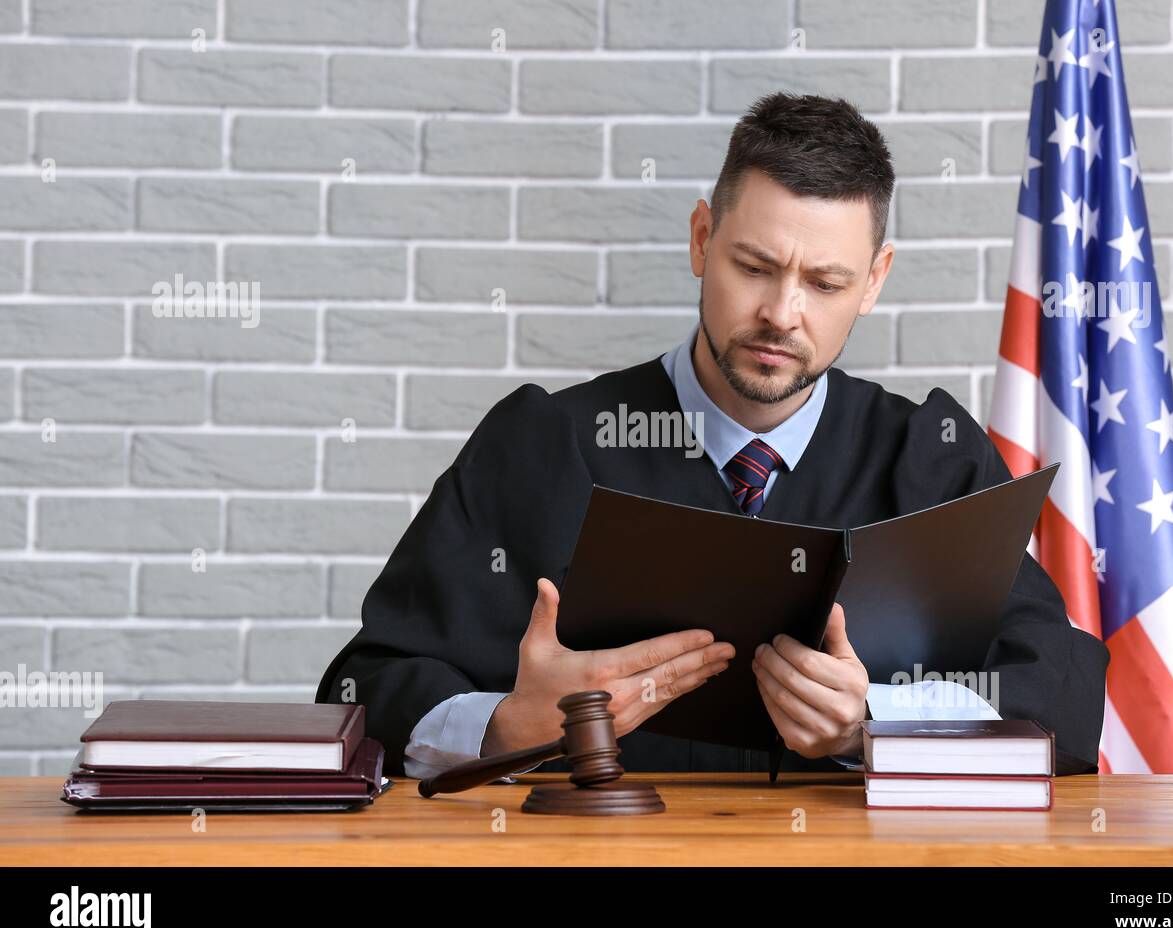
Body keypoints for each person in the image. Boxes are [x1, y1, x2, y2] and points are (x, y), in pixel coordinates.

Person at [316, 92, 1109, 779]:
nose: (782, 313)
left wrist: (874, 720)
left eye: (826, 283)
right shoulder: (541, 445)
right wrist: (509, 726)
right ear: (702, 240)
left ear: (873, 282)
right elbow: (363, 690)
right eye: (754, 266)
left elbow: (1065, 698)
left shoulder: (930, 459)